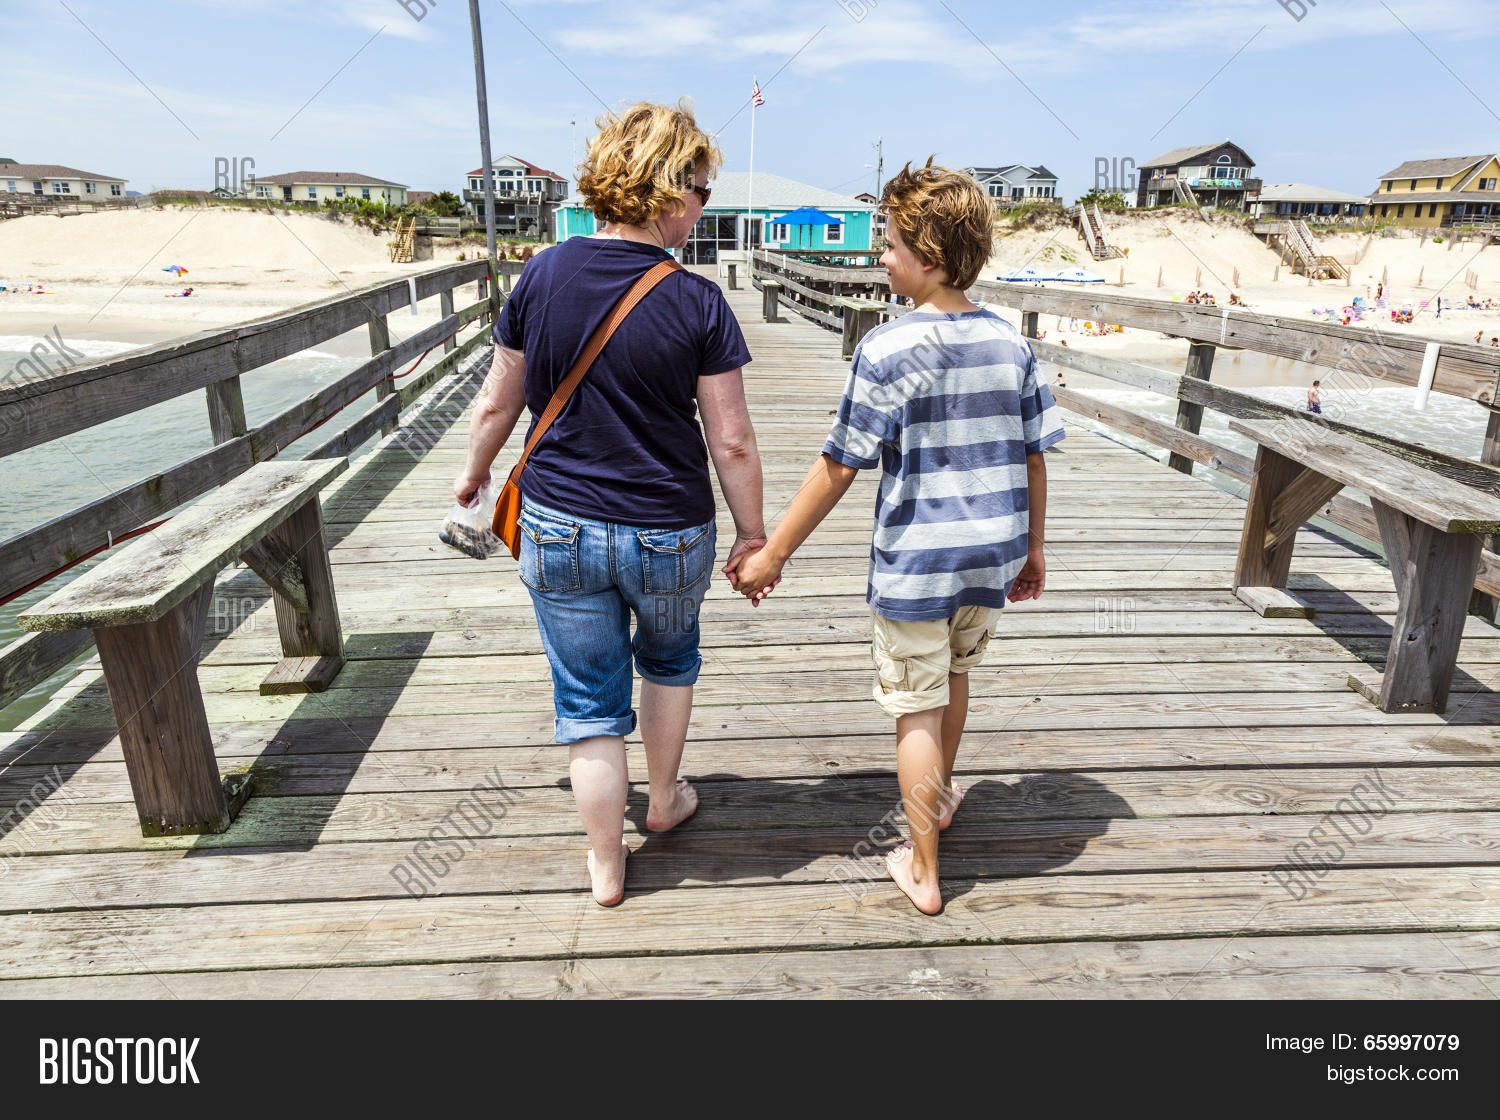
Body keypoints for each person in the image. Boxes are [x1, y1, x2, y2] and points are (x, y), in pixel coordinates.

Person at [726, 159, 1064, 914]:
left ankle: (924, 866)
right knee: (956, 678)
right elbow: (1036, 456)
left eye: (889, 246)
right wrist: (1035, 549)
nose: (880, 258)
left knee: (915, 704)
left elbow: (838, 467)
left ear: (930, 260)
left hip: (917, 563)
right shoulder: (1012, 347)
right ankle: (937, 803)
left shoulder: (885, 349)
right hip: (992, 555)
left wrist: (773, 552)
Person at [453, 99, 767, 908]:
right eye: (700, 192)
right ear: (665, 192)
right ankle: (663, 803)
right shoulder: (696, 301)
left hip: (556, 524)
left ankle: (603, 864)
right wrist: (753, 533)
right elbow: (730, 440)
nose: (703, 209)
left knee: (588, 701)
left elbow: (497, 402)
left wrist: (473, 472)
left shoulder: (543, 273)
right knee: (668, 662)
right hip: (668, 528)